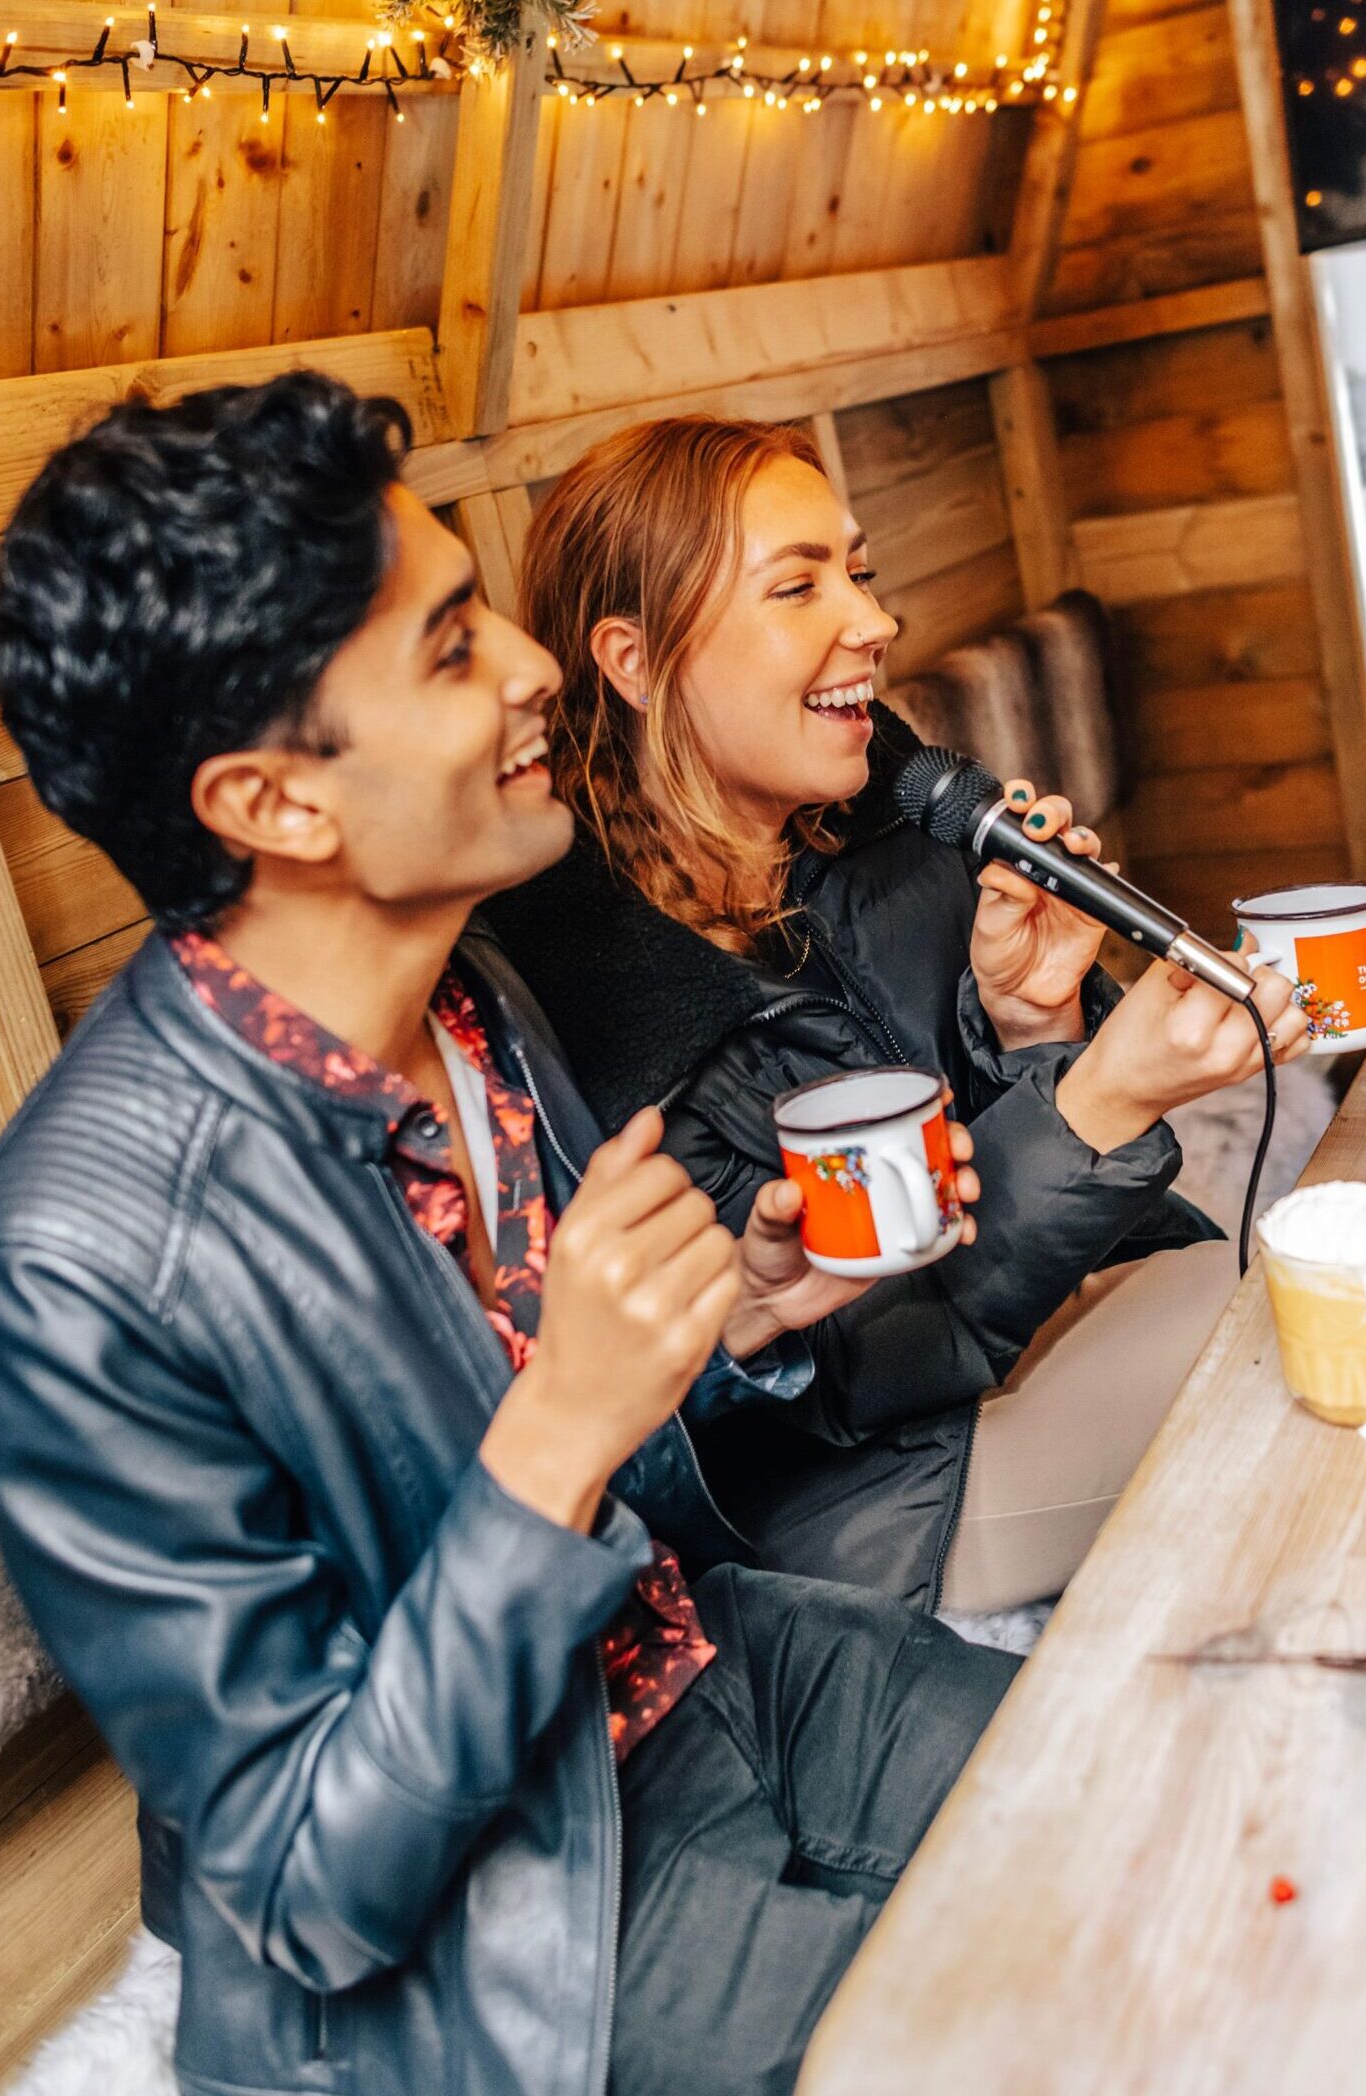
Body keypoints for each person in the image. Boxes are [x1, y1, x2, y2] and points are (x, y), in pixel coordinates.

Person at [0, 375, 1018, 2096]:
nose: (533, 666)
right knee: (1045, 2041)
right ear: (275, 805)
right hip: (505, 1933)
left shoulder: (471, 994)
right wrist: (560, 1433)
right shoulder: (74, 1261)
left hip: (711, 1662)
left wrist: (735, 1315)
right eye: (451, 646)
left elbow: (635, 1466)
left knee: (1152, 1786)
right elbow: (307, 1888)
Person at [483, 416, 1311, 1615]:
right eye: (797, 585)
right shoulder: (593, 1002)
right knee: (1287, 1330)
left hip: (1046, 1332)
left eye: (858, 571)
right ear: (635, 659)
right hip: (863, 1493)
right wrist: (1098, 1101)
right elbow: (845, 1364)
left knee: (1319, 1271)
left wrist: (1033, 1023)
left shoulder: (893, 818)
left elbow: (1013, 1179)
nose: (873, 623)